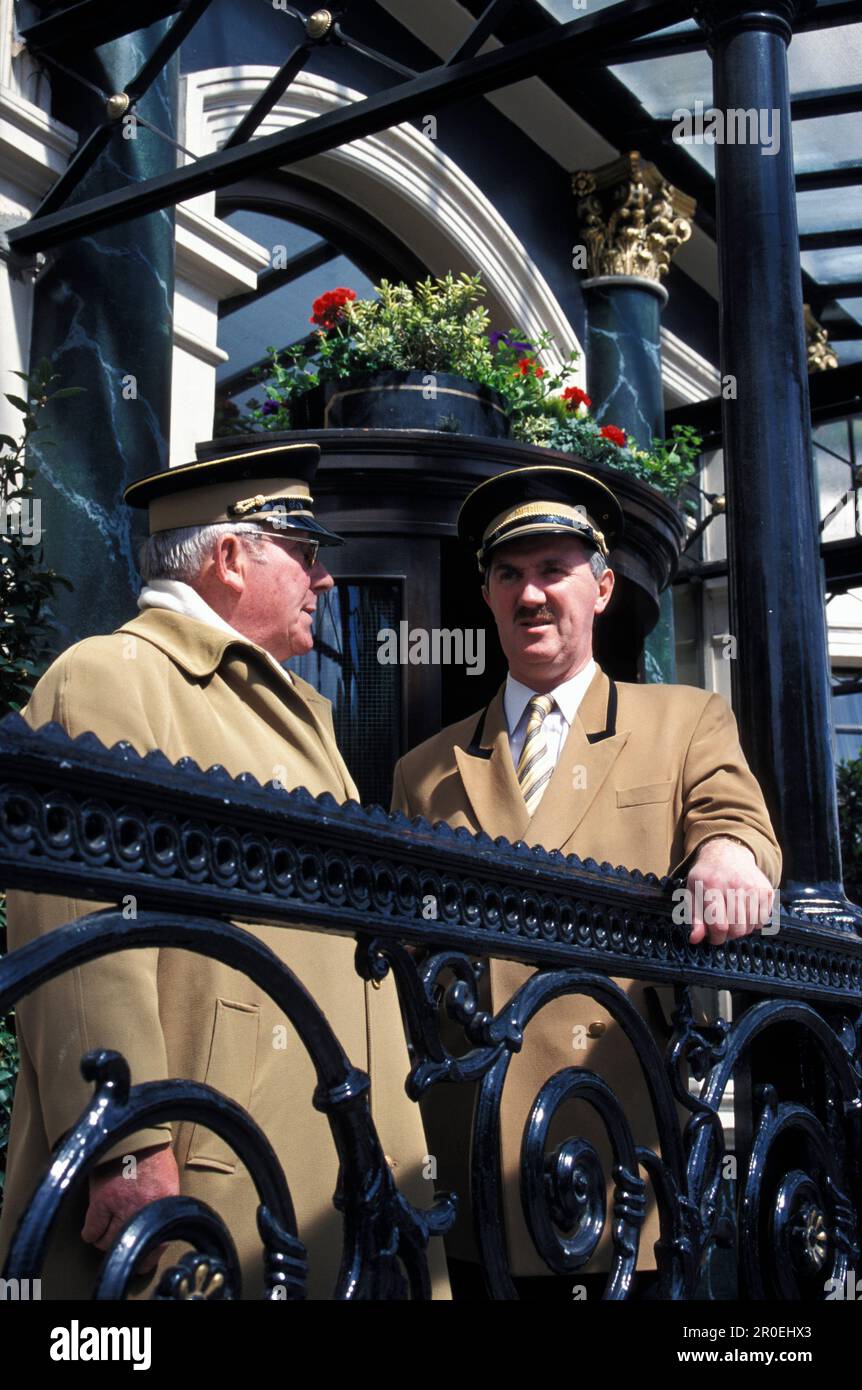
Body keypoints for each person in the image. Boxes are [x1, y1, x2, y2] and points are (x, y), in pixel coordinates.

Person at [0, 442, 448, 1300]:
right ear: (232, 557)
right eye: (306, 552)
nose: (323, 581)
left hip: (337, 1170)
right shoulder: (111, 675)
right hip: (217, 1182)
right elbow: (83, 929)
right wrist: (124, 1143)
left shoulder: (292, 708)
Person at [391, 463, 781, 1297]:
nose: (531, 595)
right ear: (489, 597)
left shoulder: (682, 721)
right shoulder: (423, 770)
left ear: (601, 588)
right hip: (470, 1158)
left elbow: (734, 817)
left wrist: (730, 855)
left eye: (552, 571)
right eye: (509, 575)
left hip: (619, 1149)